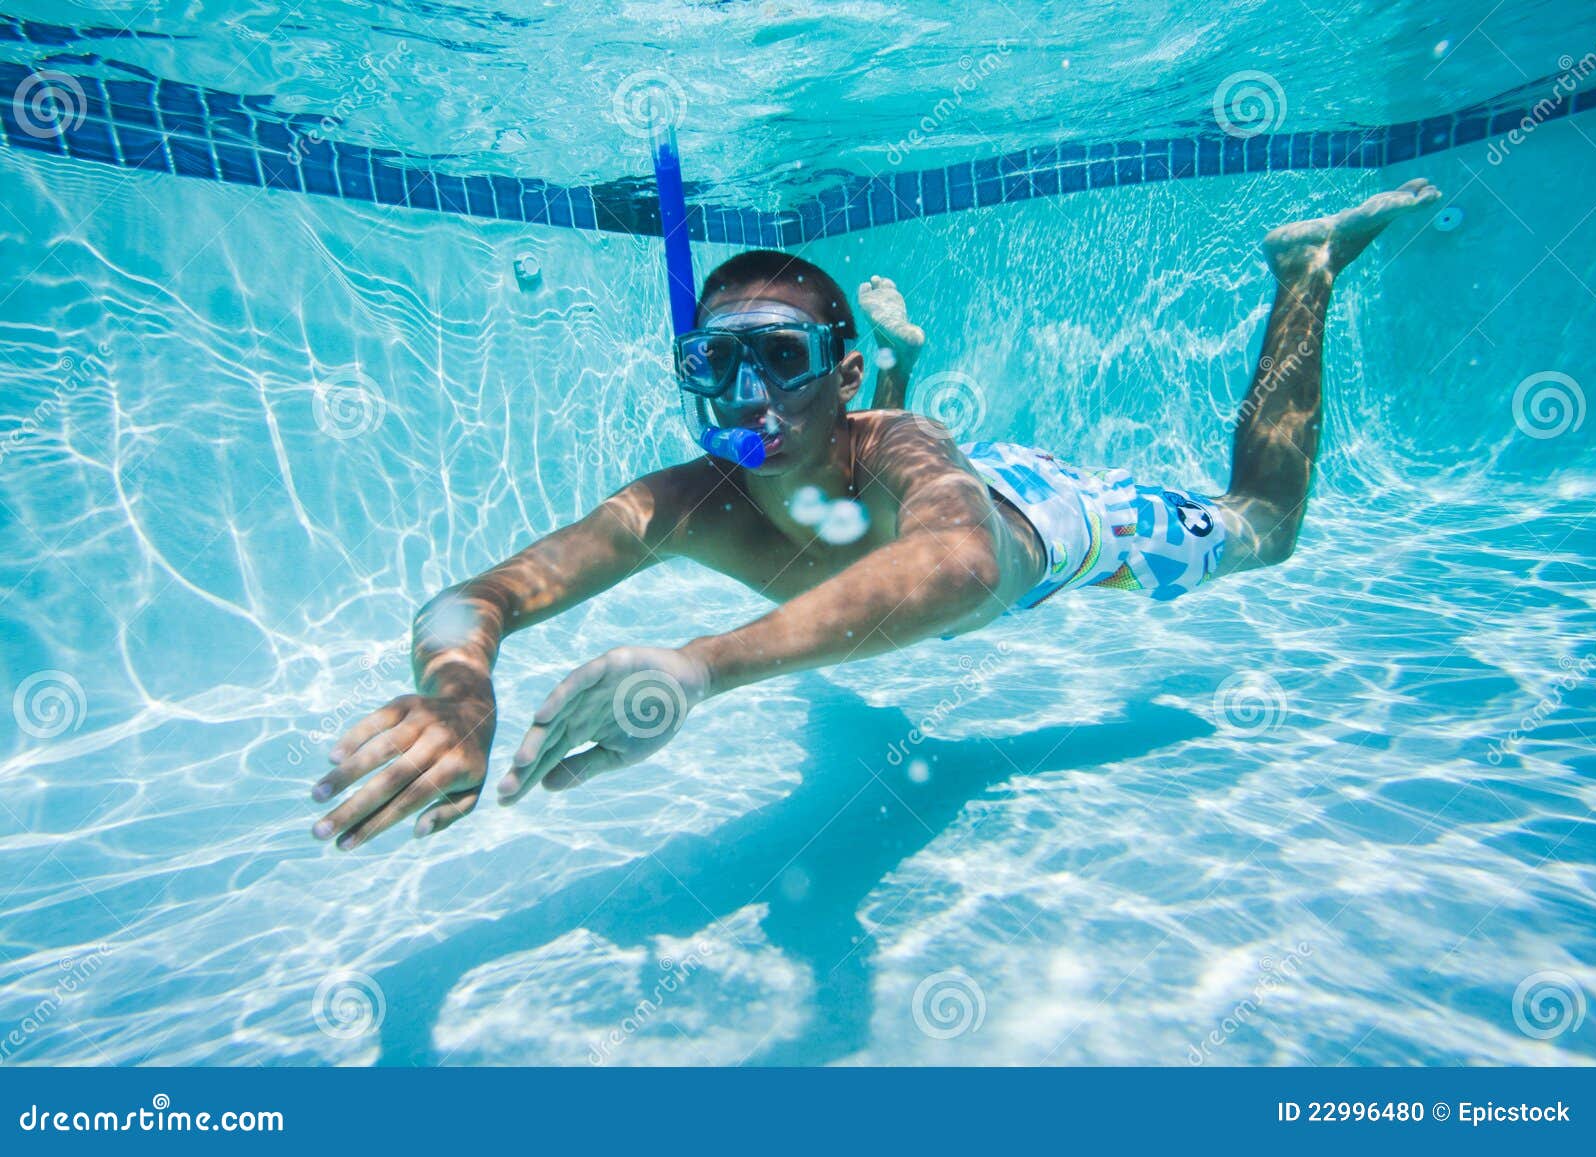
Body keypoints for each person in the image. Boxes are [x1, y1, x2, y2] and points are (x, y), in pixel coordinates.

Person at [311, 178, 1441, 850]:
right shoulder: (682, 499)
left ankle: (1305, 270)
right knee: (857, 489)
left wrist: (701, 664)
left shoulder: (899, 442)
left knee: (1263, 526)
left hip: (1044, 518)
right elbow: (478, 595)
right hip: (890, 487)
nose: (749, 395)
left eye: (783, 360)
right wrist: (458, 691)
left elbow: (953, 563)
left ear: (834, 372)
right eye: (718, 363)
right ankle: (910, 353)